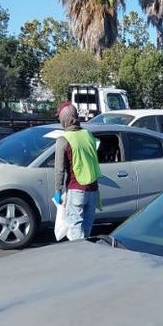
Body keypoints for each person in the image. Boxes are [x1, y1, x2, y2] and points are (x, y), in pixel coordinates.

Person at [53, 102, 100, 241]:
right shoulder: (88, 135)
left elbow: (59, 169)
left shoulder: (63, 139)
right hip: (93, 189)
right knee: (86, 230)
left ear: (63, 120)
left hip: (76, 188)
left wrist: (58, 190)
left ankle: (79, 258)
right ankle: (86, 257)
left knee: (75, 228)